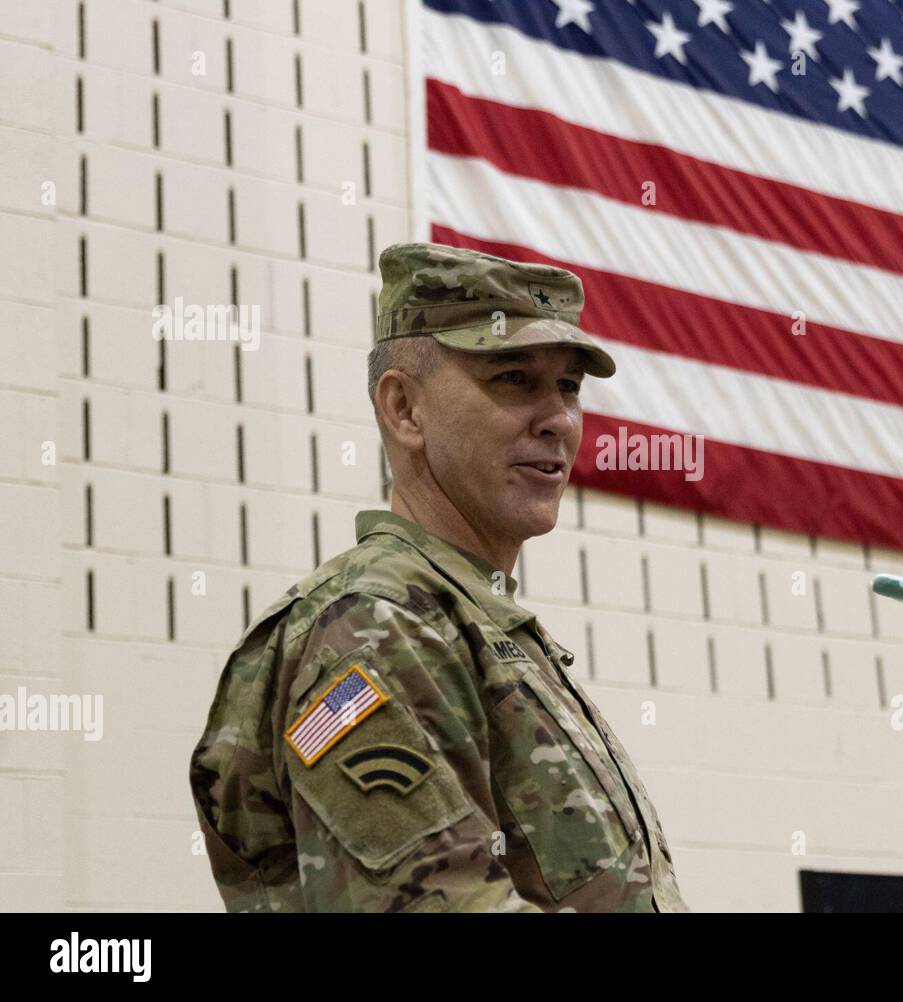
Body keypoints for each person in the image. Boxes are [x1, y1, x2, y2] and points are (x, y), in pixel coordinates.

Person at [189, 241, 688, 912]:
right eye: (513, 378)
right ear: (404, 409)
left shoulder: (472, 625)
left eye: (568, 387)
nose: (559, 420)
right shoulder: (374, 624)